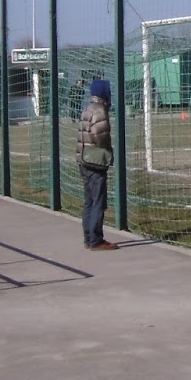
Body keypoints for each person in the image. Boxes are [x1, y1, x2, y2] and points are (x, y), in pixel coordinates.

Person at [77, 78, 117, 251]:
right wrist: (107, 148)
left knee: (89, 201)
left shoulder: (87, 109)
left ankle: (88, 237)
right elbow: (99, 135)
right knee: (98, 202)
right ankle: (96, 239)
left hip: (83, 159)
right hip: (94, 161)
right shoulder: (99, 111)